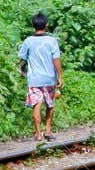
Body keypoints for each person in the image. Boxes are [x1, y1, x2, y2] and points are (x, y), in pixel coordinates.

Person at [18, 12, 64, 142]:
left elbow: (22, 60)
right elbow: (56, 60)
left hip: (34, 79)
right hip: (49, 78)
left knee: (36, 104)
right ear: (46, 25)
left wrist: (22, 72)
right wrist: (60, 76)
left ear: (33, 25)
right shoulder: (52, 40)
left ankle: (38, 133)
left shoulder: (28, 41)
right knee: (50, 104)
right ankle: (48, 130)